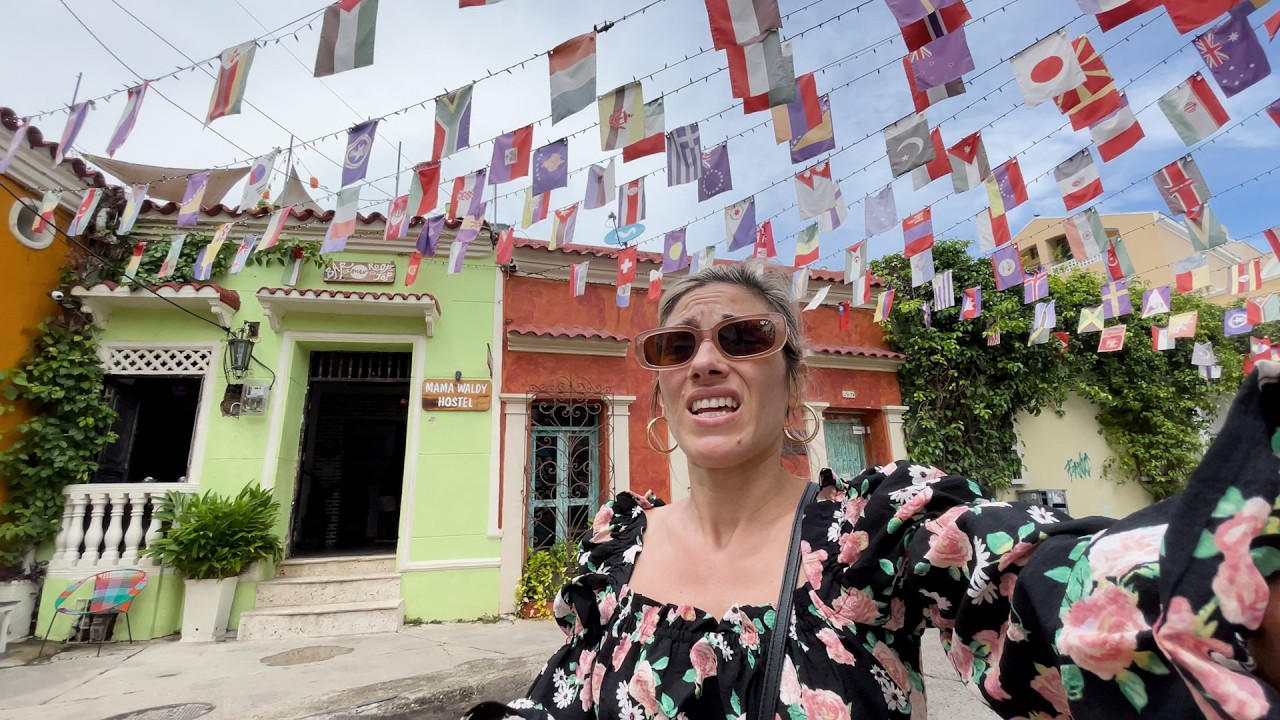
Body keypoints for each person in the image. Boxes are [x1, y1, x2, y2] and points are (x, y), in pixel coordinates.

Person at [467, 262, 1280, 719]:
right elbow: (565, 698)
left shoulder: (877, 528)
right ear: (662, 398)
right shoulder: (617, 549)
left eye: (744, 337)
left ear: (793, 393)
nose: (705, 359)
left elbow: (1035, 583)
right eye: (677, 345)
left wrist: (1220, 579)